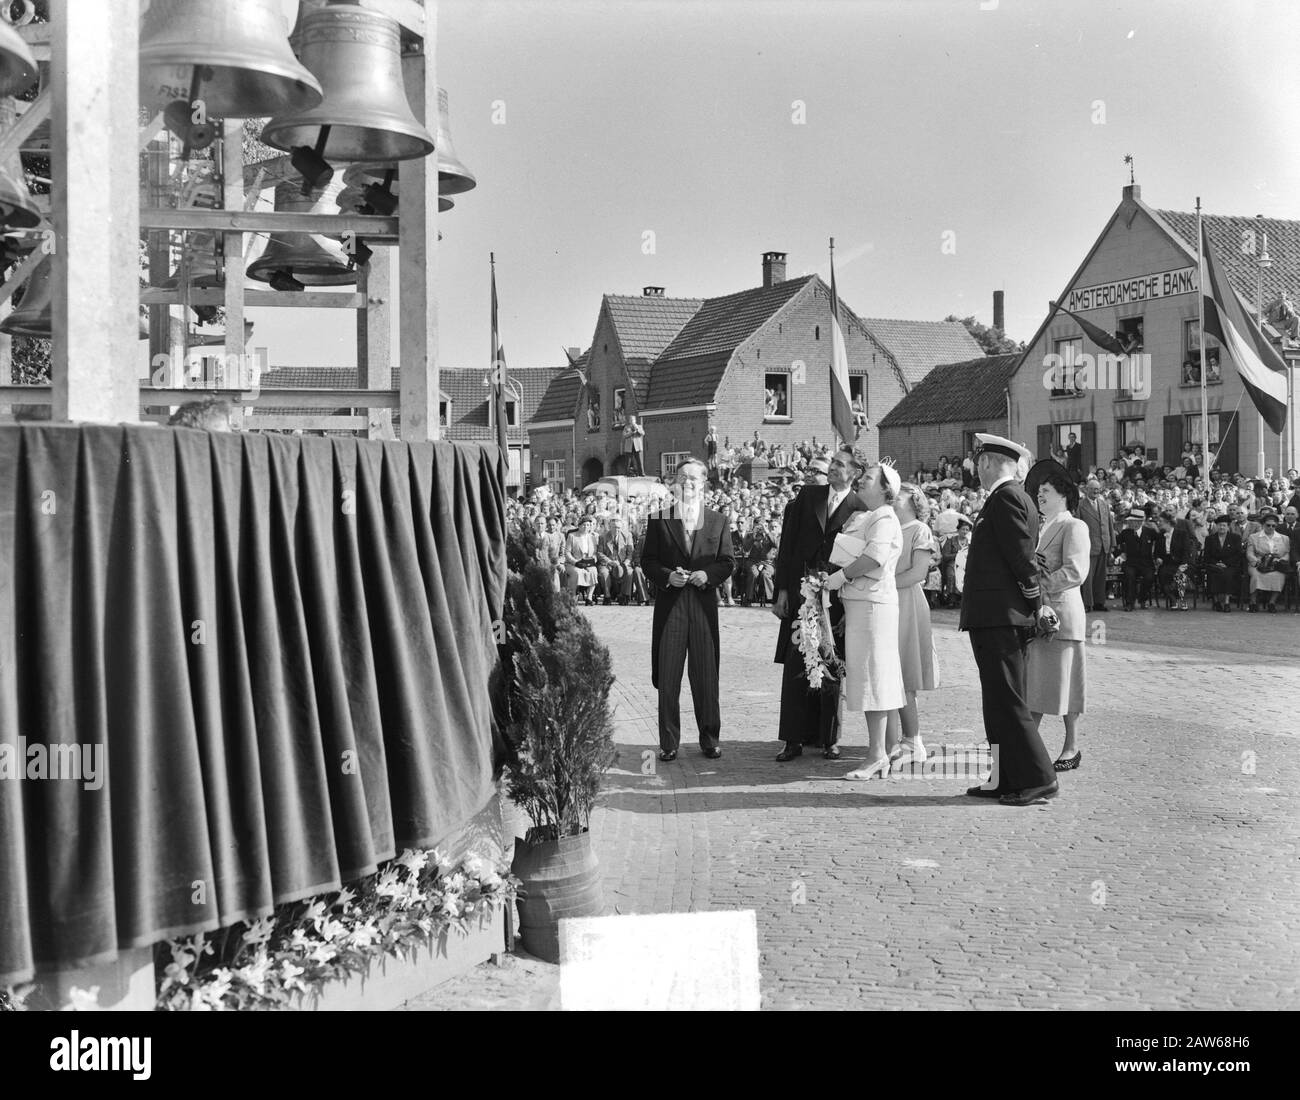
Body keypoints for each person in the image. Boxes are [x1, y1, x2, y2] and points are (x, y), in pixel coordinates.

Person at [959, 433, 1058, 806]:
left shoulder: (1008, 498)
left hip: (1003, 616)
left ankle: (1038, 777)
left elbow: (1023, 560)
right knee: (997, 701)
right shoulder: (1006, 498)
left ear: (986, 463)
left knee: (1009, 700)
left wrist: (1036, 604)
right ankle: (1004, 776)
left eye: (977, 464)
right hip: (994, 615)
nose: (976, 470)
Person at [772, 447, 867, 762]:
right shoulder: (808, 497)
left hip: (836, 600)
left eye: (841, 464)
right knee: (797, 664)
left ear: (854, 472)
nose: (834, 468)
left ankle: (829, 738)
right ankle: (792, 739)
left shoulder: (859, 507)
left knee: (831, 665)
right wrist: (782, 591)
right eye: (834, 463)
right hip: (801, 596)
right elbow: (788, 544)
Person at [640, 458, 735, 761]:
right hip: (672, 607)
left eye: (694, 478)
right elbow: (648, 561)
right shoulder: (659, 519)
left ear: (705, 482)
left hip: (704, 606)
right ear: (674, 483)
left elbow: (727, 561)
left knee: (706, 675)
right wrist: (667, 576)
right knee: (668, 676)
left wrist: (709, 576)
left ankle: (710, 738)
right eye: (682, 478)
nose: (687, 483)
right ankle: (669, 742)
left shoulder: (718, 521)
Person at [824, 460, 906, 780]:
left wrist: (840, 577)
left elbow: (874, 558)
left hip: (873, 605)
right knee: (873, 678)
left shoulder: (884, 517)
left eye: (869, 478)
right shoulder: (870, 516)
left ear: (885, 488)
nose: (861, 480)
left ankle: (877, 754)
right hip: (862, 605)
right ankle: (881, 750)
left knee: (875, 679)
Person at [1023, 461, 1089, 772]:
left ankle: (1070, 746)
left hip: (1061, 614)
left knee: (1065, 684)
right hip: (1041, 614)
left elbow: (1076, 571)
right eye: (1038, 492)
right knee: (1039, 683)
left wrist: (1038, 585)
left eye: (1046, 491)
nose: (1040, 497)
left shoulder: (1073, 526)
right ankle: (1026, 743)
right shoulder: (1040, 527)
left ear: (1063, 493)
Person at [884, 482, 938, 769]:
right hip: (887, 602)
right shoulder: (888, 526)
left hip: (906, 603)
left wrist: (881, 585)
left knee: (904, 673)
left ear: (914, 499)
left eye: (901, 492)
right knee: (889, 673)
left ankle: (913, 738)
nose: (895, 496)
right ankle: (893, 739)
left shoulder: (919, 530)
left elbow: (918, 572)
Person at [1076, 477, 1115, 612]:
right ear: (1087, 489)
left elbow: (1109, 524)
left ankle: (1099, 602)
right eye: (1093, 489)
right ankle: (1087, 603)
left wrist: (1112, 544)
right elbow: (1077, 526)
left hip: (1104, 545)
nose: (1095, 491)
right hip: (1089, 546)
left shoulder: (1103, 504)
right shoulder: (1080, 505)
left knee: (1100, 577)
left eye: (1097, 489)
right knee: (1088, 577)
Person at [1114, 508, 1157, 611]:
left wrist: (1157, 556)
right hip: (1131, 562)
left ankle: (1142, 599)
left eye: (1132, 521)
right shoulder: (1125, 533)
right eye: (1129, 521)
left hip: (1146, 563)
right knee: (1129, 576)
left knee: (1149, 577)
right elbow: (1115, 544)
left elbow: (1160, 543)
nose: (1129, 523)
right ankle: (1130, 603)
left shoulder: (1150, 532)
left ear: (1139, 522)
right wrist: (1120, 554)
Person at [1246, 512, 1291, 612]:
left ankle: (1272, 602)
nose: (1271, 527)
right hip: (1259, 563)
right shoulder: (1254, 537)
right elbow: (1249, 553)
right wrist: (1255, 560)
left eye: (1273, 525)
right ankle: (1253, 602)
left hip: (1276, 565)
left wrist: (1280, 560)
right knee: (1256, 576)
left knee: (1280, 576)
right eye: (1268, 525)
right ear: (1263, 525)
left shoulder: (1284, 538)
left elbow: (1287, 553)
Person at [1203, 515, 1244, 612]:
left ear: (1228, 527)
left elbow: (1238, 554)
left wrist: (1226, 563)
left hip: (1230, 565)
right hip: (1214, 565)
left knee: (1228, 574)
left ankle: (1226, 602)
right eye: (1220, 525)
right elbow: (1207, 555)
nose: (1222, 527)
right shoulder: (1210, 539)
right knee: (1213, 574)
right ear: (1216, 526)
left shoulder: (1235, 538)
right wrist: (1217, 563)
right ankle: (1216, 601)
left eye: (1224, 525)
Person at [1153, 510, 1192, 611]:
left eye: (1161, 521)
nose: (1159, 523)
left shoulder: (1182, 534)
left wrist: (1183, 564)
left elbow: (1186, 551)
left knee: (1180, 575)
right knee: (1162, 575)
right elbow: (1156, 552)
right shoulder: (1159, 535)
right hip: (1167, 563)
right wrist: (1158, 558)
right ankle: (1172, 599)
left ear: (1168, 522)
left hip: (1181, 562)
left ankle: (1182, 599)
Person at [564, 516, 600, 603]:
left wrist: (593, 560)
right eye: (584, 525)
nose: (586, 527)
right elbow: (567, 552)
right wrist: (575, 562)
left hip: (588, 561)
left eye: (588, 525)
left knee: (593, 571)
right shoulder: (572, 536)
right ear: (579, 526)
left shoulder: (592, 537)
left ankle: (589, 597)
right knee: (578, 572)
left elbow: (595, 552)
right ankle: (574, 595)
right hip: (574, 563)